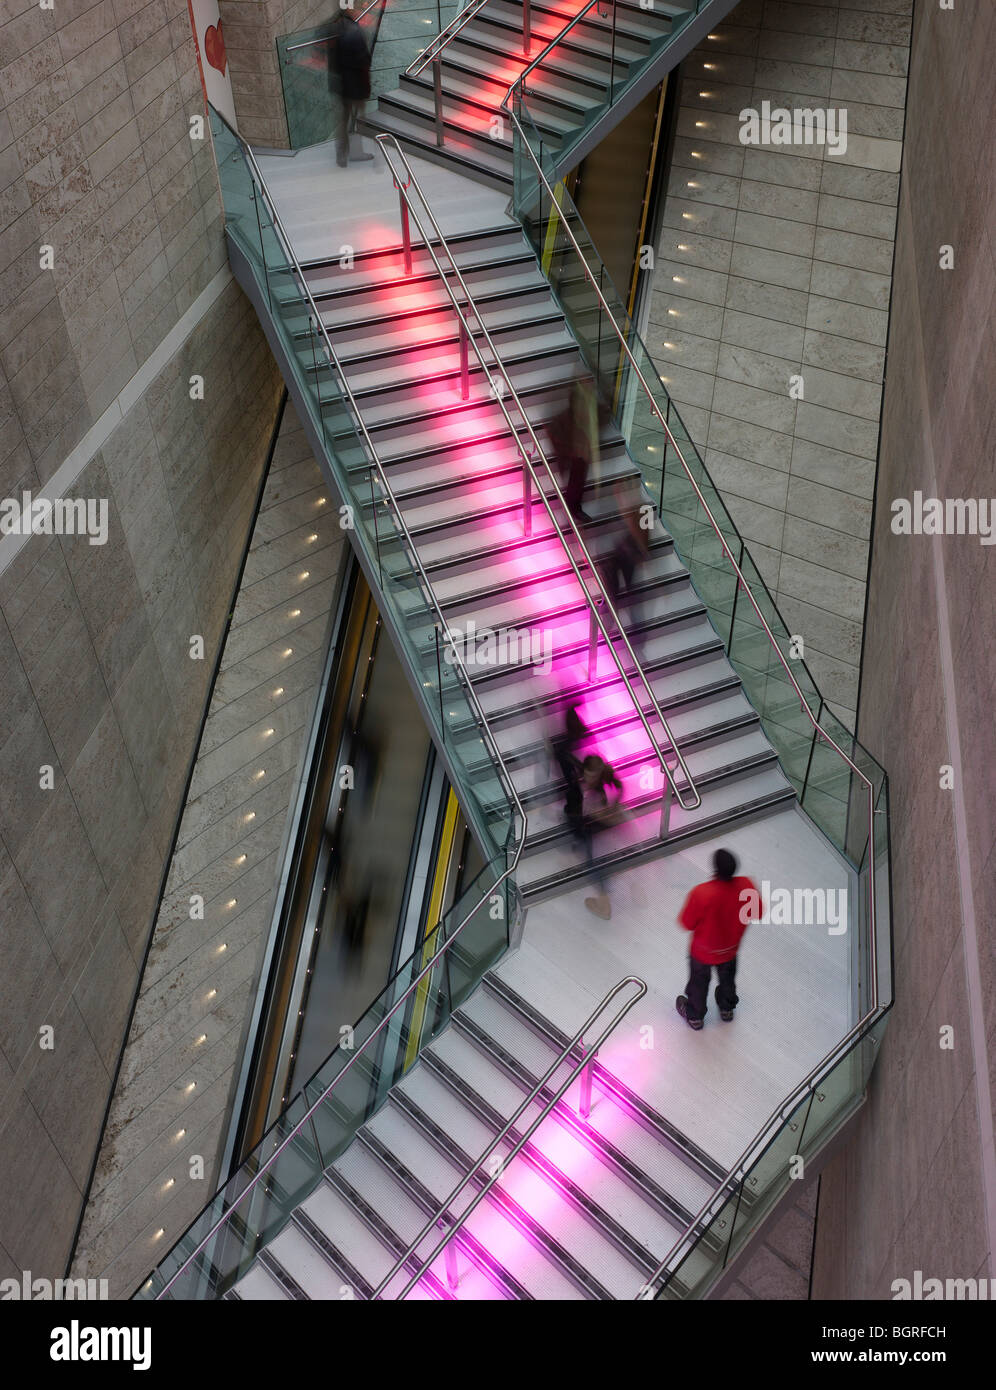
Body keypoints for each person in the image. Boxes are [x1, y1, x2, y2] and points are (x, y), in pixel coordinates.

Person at [675, 848, 762, 1029]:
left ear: (714, 869)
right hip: (730, 950)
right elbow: (758, 912)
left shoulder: (702, 893)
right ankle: (726, 1008)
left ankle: (695, 1016)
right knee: (728, 981)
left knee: (698, 985)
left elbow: (686, 923)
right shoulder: (747, 886)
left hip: (702, 953)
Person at [574, 753, 624, 921]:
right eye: (587, 775)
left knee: (593, 864)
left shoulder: (599, 792)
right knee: (595, 861)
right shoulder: (603, 781)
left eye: (592, 776)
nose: (589, 779)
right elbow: (620, 787)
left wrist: (599, 813)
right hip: (600, 830)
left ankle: (604, 905)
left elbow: (603, 814)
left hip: (599, 830)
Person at [329, 6, 373, 167]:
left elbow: (334, 62)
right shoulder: (355, 32)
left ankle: (341, 154)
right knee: (357, 119)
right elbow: (364, 61)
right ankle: (356, 153)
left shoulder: (335, 29)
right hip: (356, 85)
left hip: (341, 85)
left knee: (343, 120)